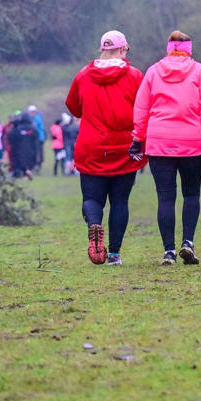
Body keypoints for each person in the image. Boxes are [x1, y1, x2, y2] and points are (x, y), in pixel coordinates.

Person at [130, 30, 201, 266]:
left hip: (159, 142)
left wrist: (138, 138)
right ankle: (187, 242)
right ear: (189, 49)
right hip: (192, 142)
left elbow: (141, 108)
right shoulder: (199, 71)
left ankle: (168, 251)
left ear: (169, 48)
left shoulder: (153, 71)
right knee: (191, 194)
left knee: (165, 198)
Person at [66, 30, 148, 265]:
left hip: (91, 146)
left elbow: (73, 107)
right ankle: (113, 254)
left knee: (92, 199)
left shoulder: (83, 75)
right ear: (123, 49)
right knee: (120, 202)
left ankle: (94, 224)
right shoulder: (134, 76)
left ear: (102, 48)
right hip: (124, 147)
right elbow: (144, 109)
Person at [7, 112, 38, 179]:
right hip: (31, 148)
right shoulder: (33, 128)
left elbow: (11, 137)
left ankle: (22, 172)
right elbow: (36, 138)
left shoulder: (17, 128)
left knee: (19, 160)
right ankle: (27, 172)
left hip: (19, 149)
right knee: (29, 160)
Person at [27, 105, 45, 174]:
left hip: (38, 139)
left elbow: (41, 129)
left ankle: (38, 167)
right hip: (30, 140)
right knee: (32, 153)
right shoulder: (28, 119)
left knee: (39, 153)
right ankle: (32, 167)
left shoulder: (38, 118)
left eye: (34, 112)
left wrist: (41, 138)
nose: (33, 113)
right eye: (31, 112)